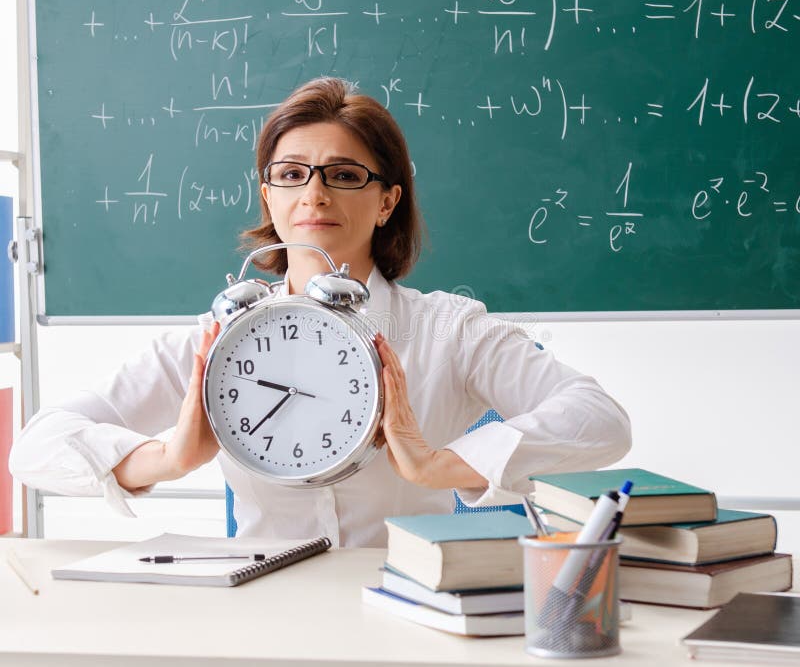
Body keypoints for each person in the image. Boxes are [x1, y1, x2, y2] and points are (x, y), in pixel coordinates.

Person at [9, 77, 631, 547]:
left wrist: (439, 462)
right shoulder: (218, 342)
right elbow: (35, 448)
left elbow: (600, 419)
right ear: (268, 195)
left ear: (387, 201)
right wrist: (167, 458)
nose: (314, 193)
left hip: (410, 601)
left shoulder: (448, 329)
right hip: (264, 610)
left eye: (343, 174)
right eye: (291, 173)